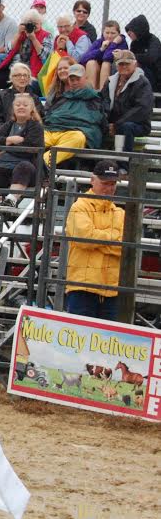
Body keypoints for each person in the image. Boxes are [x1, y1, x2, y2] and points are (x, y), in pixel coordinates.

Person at [64, 159, 125, 321]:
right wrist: (112, 237)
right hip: (83, 287)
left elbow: (124, 247)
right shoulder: (80, 206)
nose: (109, 188)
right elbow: (85, 238)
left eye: (112, 184)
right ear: (92, 180)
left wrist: (97, 239)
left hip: (108, 288)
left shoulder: (119, 212)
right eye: (105, 183)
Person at [0, 93, 45, 230]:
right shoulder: (9, 124)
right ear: (13, 108)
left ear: (32, 108)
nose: (21, 107)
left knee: (23, 166)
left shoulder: (35, 126)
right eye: (18, 105)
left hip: (26, 171)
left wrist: (6, 149)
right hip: (2, 168)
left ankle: (11, 201)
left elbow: (31, 148)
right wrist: (10, 140)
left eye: (25, 105)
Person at [42, 63, 106, 166]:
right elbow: (49, 117)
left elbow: (96, 120)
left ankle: (41, 164)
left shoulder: (95, 98)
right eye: (72, 79)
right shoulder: (63, 98)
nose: (75, 82)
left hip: (73, 133)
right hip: (52, 130)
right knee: (35, 136)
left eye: (78, 79)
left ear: (85, 78)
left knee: (79, 138)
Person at [101, 50, 154, 155]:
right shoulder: (110, 81)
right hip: (113, 123)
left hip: (138, 124)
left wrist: (117, 125)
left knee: (127, 127)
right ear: (116, 66)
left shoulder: (142, 82)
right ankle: (94, 163)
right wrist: (105, 122)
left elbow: (142, 109)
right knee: (96, 125)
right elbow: (103, 102)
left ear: (135, 64)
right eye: (121, 64)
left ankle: (123, 165)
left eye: (127, 64)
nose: (124, 66)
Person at [0, 10, 53, 93]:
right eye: (29, 24)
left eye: (35, 24)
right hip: (14, 69)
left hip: (32, 72)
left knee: (28, 85)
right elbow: (8, 49)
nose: (32, 26)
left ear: (40, 23)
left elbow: (45, 57)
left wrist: (33, 39)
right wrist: (18, 34)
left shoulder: (46, 35)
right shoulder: (21, 34)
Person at [0, 62, 44, 132]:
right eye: (18, 75)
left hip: (30, 135)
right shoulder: (1, 96)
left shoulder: (34, 98)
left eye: (25, 75)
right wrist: (7, 132)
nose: (22, 78)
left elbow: (40, 119)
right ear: (11, 78)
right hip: (5, 136)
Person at [80, 19, 127, 91]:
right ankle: (90, 92)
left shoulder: (121, 43)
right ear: (103, 33)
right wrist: (101, 49)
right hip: (98, 72)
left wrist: (113, 44)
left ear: (118, 33)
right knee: (91, 63)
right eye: (107, 33)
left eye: (113, 33)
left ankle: (103, 93)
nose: (109, 36)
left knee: (105, 64)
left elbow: (106, 57)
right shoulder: (99, 42)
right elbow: (83, 59)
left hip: (113, 72)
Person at [125, 14, 161, 89]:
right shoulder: (134, 43)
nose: (128, 33)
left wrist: (132, 56)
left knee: (134, 64)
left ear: (138, 30)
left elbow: (151, 58)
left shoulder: (153, 40)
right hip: (138, 72)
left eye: (131, 31)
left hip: (154, 75)